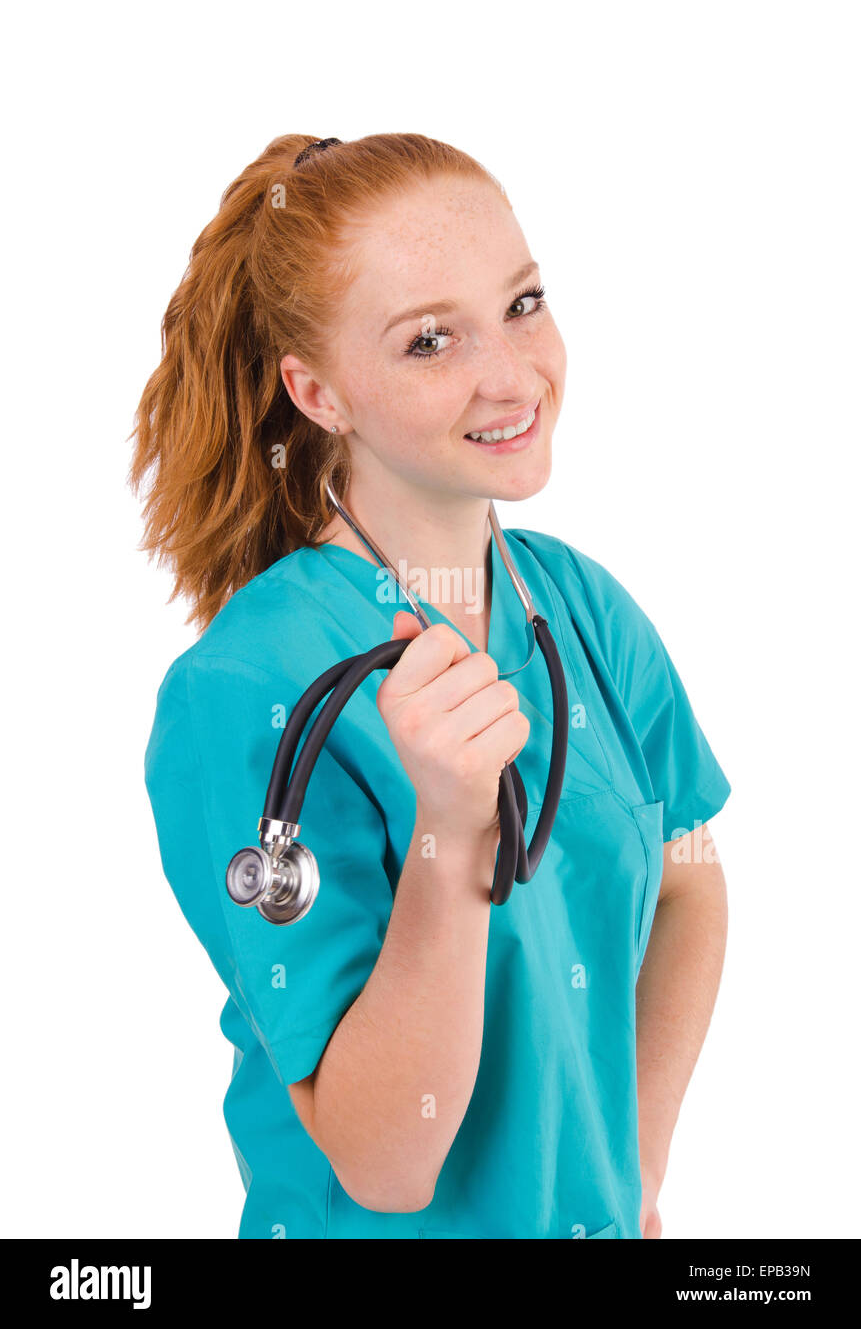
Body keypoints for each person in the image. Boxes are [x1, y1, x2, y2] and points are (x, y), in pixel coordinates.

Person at [130, 132, 731, 1240]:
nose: (510, 374)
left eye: (522, 302)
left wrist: (634, 1168)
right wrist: (450, 834)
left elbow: (691, 873)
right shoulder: (249, 693)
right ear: (317, 393)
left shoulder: (581, 611)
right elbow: (385, 1162)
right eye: (428, 341)